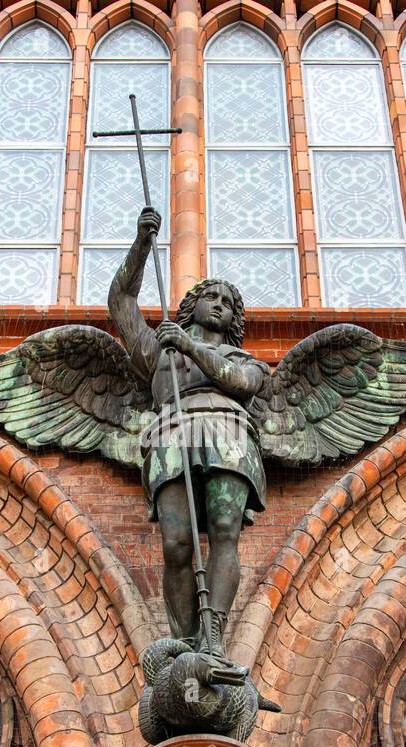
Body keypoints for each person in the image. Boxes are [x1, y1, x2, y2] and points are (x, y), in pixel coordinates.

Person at [107, 207, 269, 649]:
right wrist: (142, 245)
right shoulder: (157, 352)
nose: (219, 304)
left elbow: (239, 383)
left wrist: (189, 345)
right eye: (211, 296)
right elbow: (120, 302)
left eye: (229, 303)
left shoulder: (245, 361)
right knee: (177, 544)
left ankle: (213, 633)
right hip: (171, 436)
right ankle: (185, 639)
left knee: (223, 529)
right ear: (192, 303)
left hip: (227, 434)